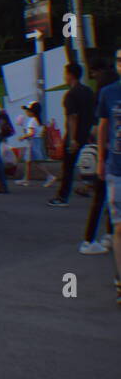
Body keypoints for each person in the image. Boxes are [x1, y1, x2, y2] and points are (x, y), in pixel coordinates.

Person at [94, 46, 121, 304]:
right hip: (116, 168)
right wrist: (101, 160)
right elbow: (102, 127)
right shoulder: (109, 93)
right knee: (119, 227)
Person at [50, 63, 96, 208]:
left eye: (65, 73)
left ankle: (62, 197)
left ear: (70, 75)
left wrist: (72, 139)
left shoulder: (70, 94)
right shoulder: (88, 91)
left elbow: (72, 117)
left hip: (75, 136)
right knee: (91, 162)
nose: (64, 76)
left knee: (68, 167)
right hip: (87, 133)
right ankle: (89, 188)